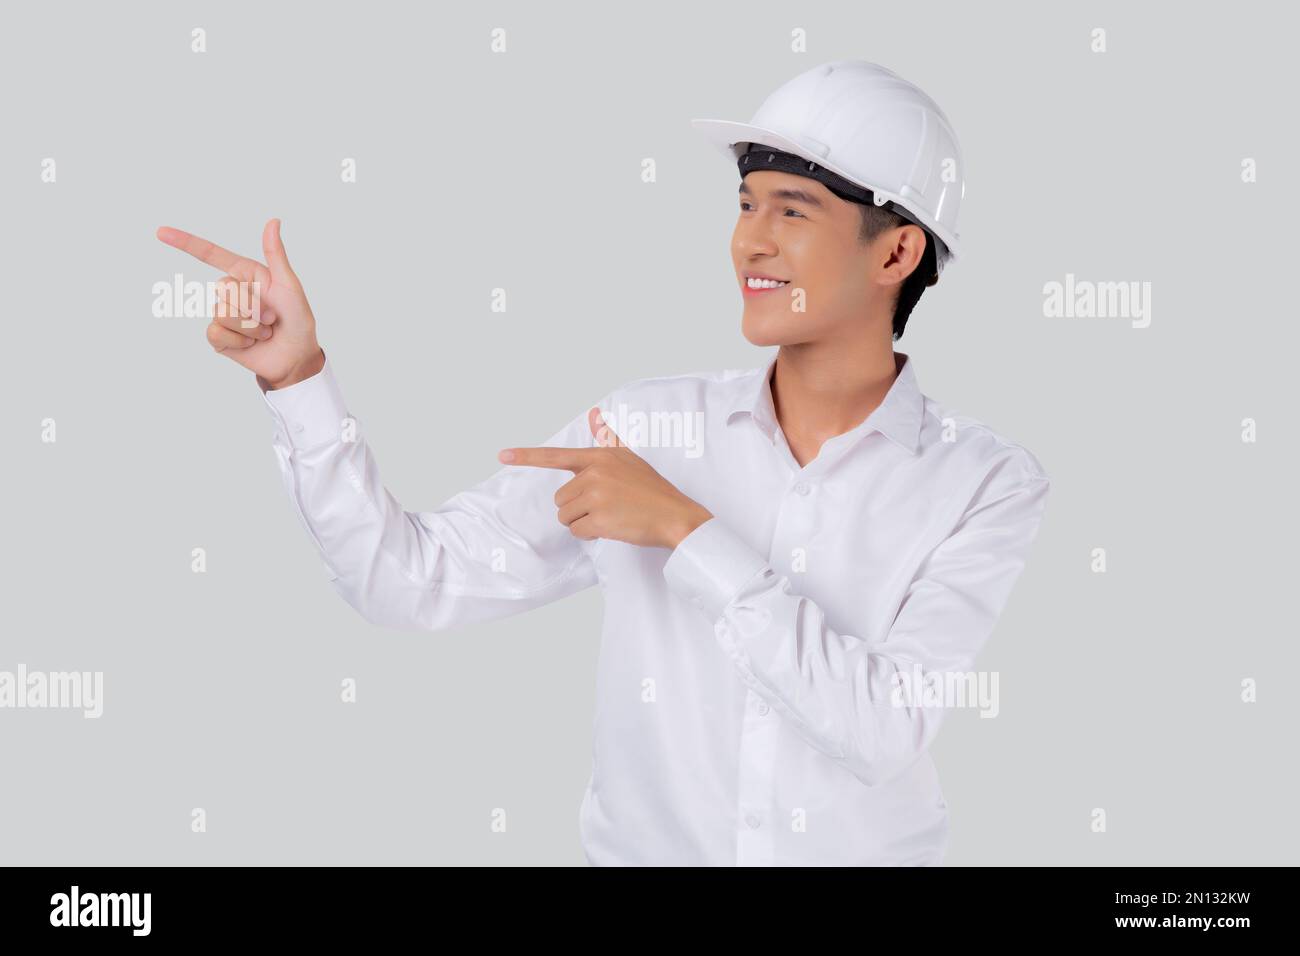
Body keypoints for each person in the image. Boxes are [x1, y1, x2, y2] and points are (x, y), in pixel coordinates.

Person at [156, 60, 1050, 866]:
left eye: (793, 210)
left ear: (896, 251)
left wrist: (686, 530)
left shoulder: (985, 483)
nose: (751, 242)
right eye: (746, 205)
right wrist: (298, 378)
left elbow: (881, 726)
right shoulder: (641, 429)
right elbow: (405, 582)